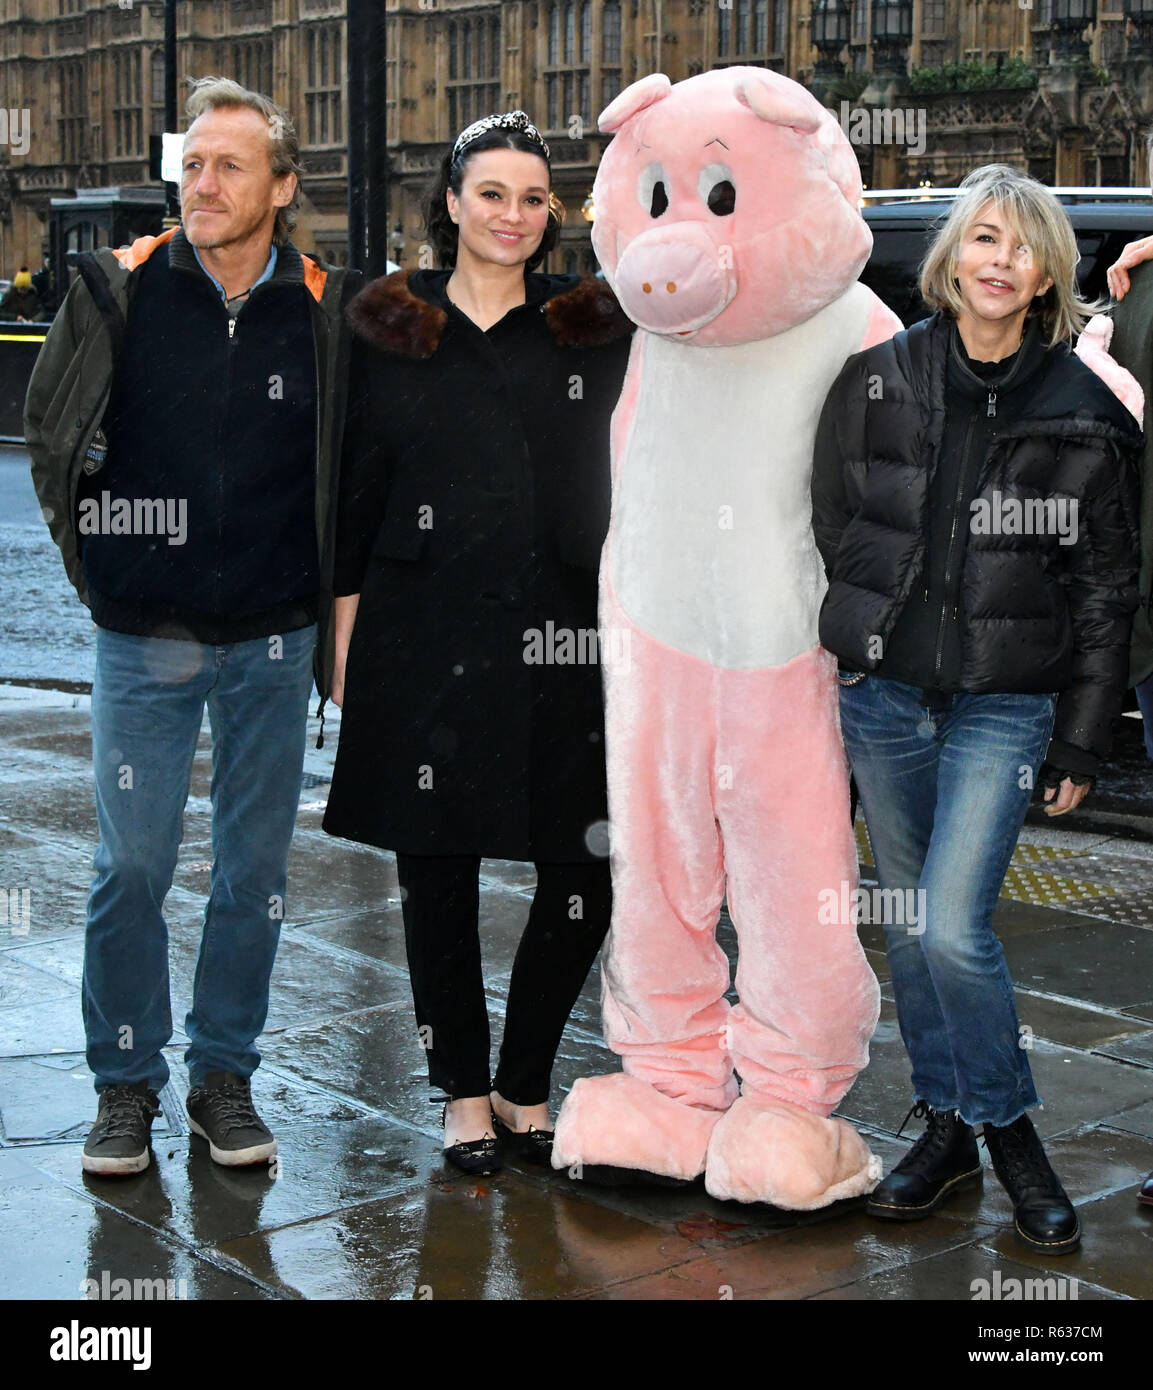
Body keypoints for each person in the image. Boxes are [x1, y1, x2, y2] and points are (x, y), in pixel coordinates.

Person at [25, 77, 359, 1175]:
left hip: (273, 638)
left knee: (252, 872)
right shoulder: (118, 288)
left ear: (282, 185)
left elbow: (350, 470)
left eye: (226, 166)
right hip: (143, 635)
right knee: (133, 867)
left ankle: (224, 1076)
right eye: (192, 165)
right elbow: (52, 434)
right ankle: (126, 1085)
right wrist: (106, 576)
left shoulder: (322, 305)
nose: (200, 184)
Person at [812, 165, 1142, 1254]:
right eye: (984, 239)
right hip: (885, 697)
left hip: (1005, 704)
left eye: (1024, 245)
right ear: (950, 259)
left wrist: (1082, 733)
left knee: (952, 927)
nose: (1000, 262)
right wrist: (865, 629)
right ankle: (948, 1127)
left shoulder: (1083, 409)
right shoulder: (872, 380)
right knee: (911, 930)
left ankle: (1010, 1134)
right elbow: (833, 515)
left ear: (1049, 272)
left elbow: (1106, 589)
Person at [322, 110, 633, 1175]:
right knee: (436, 869)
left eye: (533, 198)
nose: (513, 214)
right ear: (450, 201)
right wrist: (342, 646)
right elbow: (356, 492)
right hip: (422, 629)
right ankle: (459, 1088)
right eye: (491, 193)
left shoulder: (593, 324)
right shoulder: (386, 326)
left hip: (565, 631)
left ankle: (524, 1077)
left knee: (588, 863)